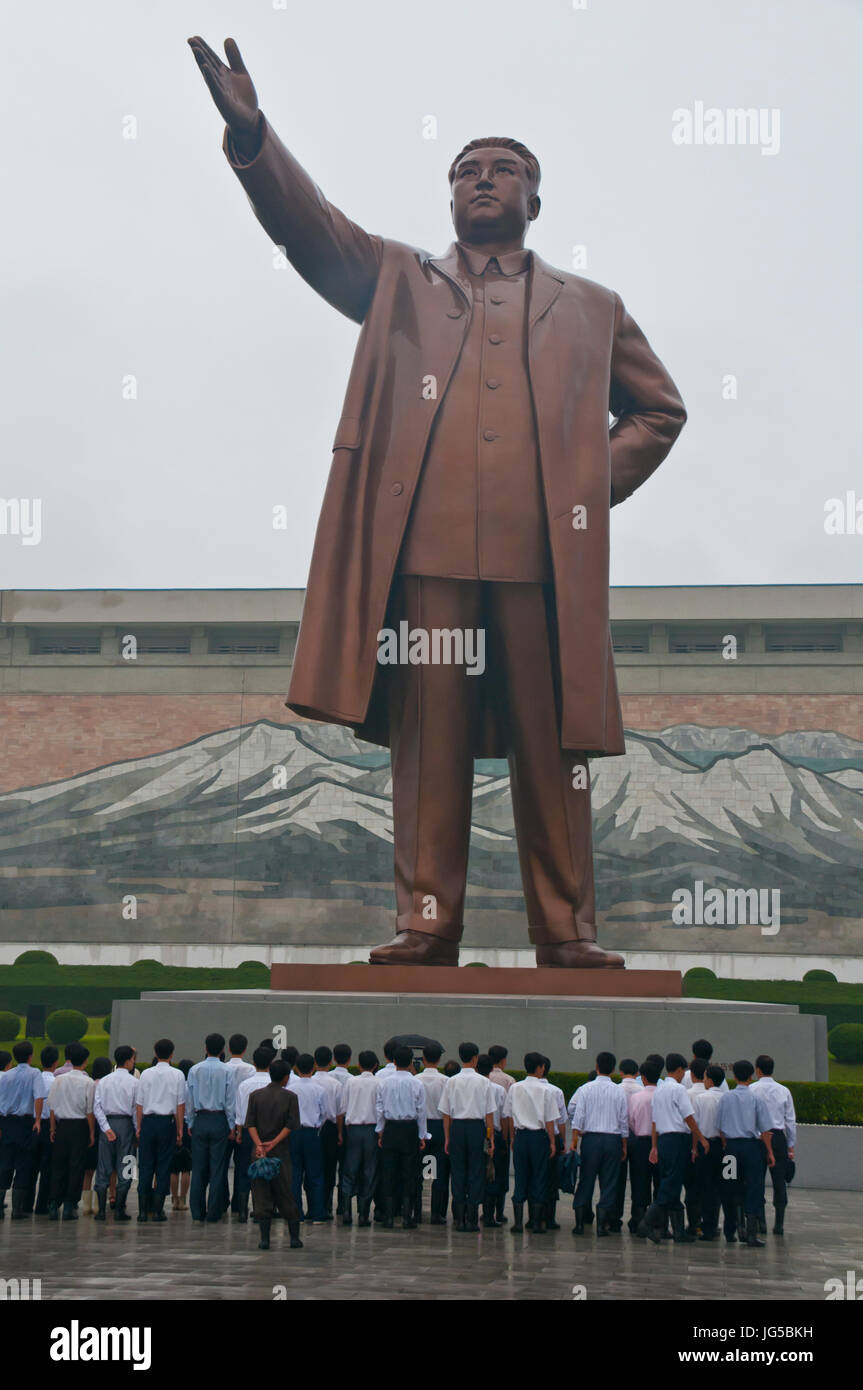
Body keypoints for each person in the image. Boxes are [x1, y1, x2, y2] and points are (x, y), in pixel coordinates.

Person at [187, 37, 685, 978]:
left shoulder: (591, 306)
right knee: (429, 747)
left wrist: (582, 491)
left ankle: (565, 931)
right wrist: (252, 133)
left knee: (554, 749)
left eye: (504, 170)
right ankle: (428, 924)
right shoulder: (398, 282)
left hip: (542, 565)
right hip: (425, 561)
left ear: (535, 199)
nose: (483, 181)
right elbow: (310, 229)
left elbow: (659, 410)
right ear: (448, 196)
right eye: (465, 171)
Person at [638, 1052, 709, 1245]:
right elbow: (688, 1116)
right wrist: (701, 1138)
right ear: (679, 1070)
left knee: (672, 1183)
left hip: (663, 1141)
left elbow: (654, 1122)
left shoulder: (659, 1089)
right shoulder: (678, 1090)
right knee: (670, 1185)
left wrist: (654, 1146)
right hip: (677, 1140)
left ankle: (678, 1232)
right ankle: (646, 1222)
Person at [245, 1058, 304, 1251]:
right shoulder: (290, 1097)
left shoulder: (255, 1095)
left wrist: (259, 1144)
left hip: (259, 1153)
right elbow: (291, 1125)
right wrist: (274, 1142)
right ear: (286, 1077)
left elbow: (250, 1123)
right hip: (280, 1153)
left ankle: (264, 1239)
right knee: (285, 1192)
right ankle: (294, 1238)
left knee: (261, 1193)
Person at [569, 1052, 628, 1237]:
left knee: (586, 1180)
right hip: (613, 1140)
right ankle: (602, 1226)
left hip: (591, 1140)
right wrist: (624, 1145)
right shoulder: (619, 1090)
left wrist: (574, 1140)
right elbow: (623, 1121)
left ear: (597, 1066)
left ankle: (579, 1224)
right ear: (613, 1069)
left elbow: (578, 1116)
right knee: (609, 1182)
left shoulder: (585, 1089)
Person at [717, 1060, 775, 1249]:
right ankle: (750, 1234)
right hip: (751, 1148)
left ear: (734, 1076)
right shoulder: (757, 1099)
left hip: (730, 1149)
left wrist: (726, 1146)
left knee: (729, 1187)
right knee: (753, 1187)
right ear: (751, 1077)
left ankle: (731, 1229)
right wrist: (770, 1152)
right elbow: (765, 1130)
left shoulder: (725, 1098)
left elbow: (720, 1128)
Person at [438, 1042, 495, 1233]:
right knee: (476, 1172)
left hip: (457, 1127)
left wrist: (447, 1138)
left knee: (458, 1172)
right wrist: (490, 1140)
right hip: (476, 1128)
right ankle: (471, 1219)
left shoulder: (451, 1081)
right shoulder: (484, 1082)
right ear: (475, 1058)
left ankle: (459, 1219)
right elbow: (489, 1116)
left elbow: (446, 1114)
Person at [502, 1053, 558, 1234]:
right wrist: (552, 1141)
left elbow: (509, 1115)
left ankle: (518, 1223)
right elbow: (550, 1120)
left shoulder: (515, 1088)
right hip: (539, 1137)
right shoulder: (546, 1091)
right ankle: (535, 1222)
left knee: (521, 1177)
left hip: (521, 1137)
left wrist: (512, 1137)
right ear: (541, 1067)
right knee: (539, 1177)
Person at [186, 1033, 235, 1224]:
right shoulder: (227, 1071)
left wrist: (190, 1122)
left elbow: (189, 1099)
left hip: (200, 1118)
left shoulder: (194, 1070)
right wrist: (232, 1125)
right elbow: (230, 1101)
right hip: (219, 1119)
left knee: (198, 1168)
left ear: (205, 1048)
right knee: (217, 1168)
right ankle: (214, 1212)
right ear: (223, 1050)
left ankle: (197, 1211)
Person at [375, 1045, 426, 1229]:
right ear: (411, 1062)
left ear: (394, 1061)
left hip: (390, 1129)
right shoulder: (417, 1083)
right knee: (408, 1173)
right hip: (409, 1129)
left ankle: (388, 1217)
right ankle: (406, 1216)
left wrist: (380, 1132)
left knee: (388, 1173)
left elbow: (379, 1109)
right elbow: (421, 1112)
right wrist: (422, 1135)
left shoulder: (384, 1082)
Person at [135, 1038, 186, 1223]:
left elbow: (139, 1104)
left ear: (155, 1053)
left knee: (146, 1166)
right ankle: (157, 1211)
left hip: (148, 1122)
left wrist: (139, 1126)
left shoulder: (146, 1074)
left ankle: (142, 1211)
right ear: (172, 1054)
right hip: (167, 1123)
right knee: (164, 1166)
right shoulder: (178, 1074)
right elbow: (180, 1104)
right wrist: (180, 1128)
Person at [48, 1042, 95, 1221]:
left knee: (58, 1165)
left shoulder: (58, 1079)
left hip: (62, 1126)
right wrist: (91, 1132)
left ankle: (53, 1203)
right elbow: (89, 1111)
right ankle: (69, 1205)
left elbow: (52, 1107)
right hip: (79, 1126)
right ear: (85, 1061)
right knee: (76, 1166)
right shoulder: (88, 1082)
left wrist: (52, 1128)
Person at [751, 1054, 796, 1235]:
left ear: (758, 1070)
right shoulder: (784, 1091)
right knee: (779, 1182)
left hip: (757, 1138)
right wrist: (790, 1145)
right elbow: (790, 1120)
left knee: (757, 1180)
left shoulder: (752, 1089)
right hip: (777, 1138)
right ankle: (779, 1223)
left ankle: (760, 1221)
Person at [93, 1045, 138, 1222]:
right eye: (133, 1059)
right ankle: (119, 1208)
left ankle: (101, 1210)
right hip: (126, 1124)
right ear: (128, 1061)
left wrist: (105, 1128)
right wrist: (136, 1130)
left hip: (108, 1124)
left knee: (103, 1166)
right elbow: (135, 1109)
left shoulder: (104, 1081)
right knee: (126, 1165)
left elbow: (96, 1106)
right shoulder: (135, 1082)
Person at [0, 1040, 43, 1220]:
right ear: (30, 1056)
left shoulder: (6, 1076)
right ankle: (17, 1209)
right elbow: (39, 1097)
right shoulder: (34, 1073)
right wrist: (38, 1119)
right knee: (23, 1164)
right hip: (25, 1122)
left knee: (5, 1164)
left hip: (6, 1122)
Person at [337, 1050, 380, 1227]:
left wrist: (340, 1132)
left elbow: (342, 1109)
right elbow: (381, 1110)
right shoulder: (380, 1083)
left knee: (349, 1169)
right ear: (375, 1066)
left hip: (353, 1129)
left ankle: (346, 1210)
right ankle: (363, 1214)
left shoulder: (350, 1082)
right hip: (372, 1130)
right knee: (370, 1171)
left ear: (359, 1065)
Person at [232, 1048, 274, 1223]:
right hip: (269, 1133)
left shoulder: (245, 1085)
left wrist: (239, 1132)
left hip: (249, 1132)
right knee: (265, 1171)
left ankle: (242, 1210)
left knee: (244, 1169)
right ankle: (261, 1209)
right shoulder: (274, 1084)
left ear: (254, 1063)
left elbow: (240, 1113)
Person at [688, 1064, 729, 1242]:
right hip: (726, 1149)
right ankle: (724, 1225)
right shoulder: (728, 1098)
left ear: (710, 1080)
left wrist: (694, 1148)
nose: (703, 1081)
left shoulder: (701, 1099)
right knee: (724, 1185)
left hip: (706, 1147)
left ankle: (706, 1226)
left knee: (705, 1186)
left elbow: (694, 1127)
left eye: (705, 1078)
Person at [287, 1054, 327, 1223]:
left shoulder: (290, 1088)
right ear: (314, 1067)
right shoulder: (319, 1089)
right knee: (315, 1174)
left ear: (296, 1067)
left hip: (293, 1133)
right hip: (312, 1132)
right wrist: (317, 1124)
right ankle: (318, 1213)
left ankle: (297, 1213)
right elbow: (324, 1114)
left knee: (294, 1174)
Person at [625, 1059, 661, 1234]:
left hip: (639, 1142)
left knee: (640, 1182)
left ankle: (638, 1221)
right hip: (660, 1143)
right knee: (660, 1182)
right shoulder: (663, 1095)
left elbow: (630, 1121)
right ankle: (659, 1223)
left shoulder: (635, 1097)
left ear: (643, 1078)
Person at [312, 1046, 343, 1219]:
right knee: (330, 1168)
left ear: (315, 1062)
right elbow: (339, 1113)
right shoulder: (336, 1084)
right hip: (330, 1129)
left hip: (312, 1129)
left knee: (312, 1168)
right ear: (330, 1062)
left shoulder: (309, 1081)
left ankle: (313, 1206)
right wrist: (339, 1133)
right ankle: (326, 1206)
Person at [27, 1044, 59, 1214]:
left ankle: (25, 1204)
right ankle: (42, 1205)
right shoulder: (56, 1082)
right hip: (49, 1126)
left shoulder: (35, 1079)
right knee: (47, 1168)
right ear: (56, 1062)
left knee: (31, 1166)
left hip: (33, 1124)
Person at [476, 1053, 507, 1227]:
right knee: (493, 1174)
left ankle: (466, 1214)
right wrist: (504, 1138)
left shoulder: (469, 1086)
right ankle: (489, 1215)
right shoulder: (498, 1090)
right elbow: (503, 1117)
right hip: (492, 1133)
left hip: (473, 1131)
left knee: (473, 1171)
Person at [80, 1056, 111, 1215]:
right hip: (106, 1127)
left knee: (88, 1170)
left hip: (89, 1128)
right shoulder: (108, 1085)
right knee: (104, 1168)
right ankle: (101, 1203)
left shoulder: (90, 1084)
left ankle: (86, 1205)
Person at [170, 1059, 194, 1212]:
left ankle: (174, 1199)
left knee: (173, 1167)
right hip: (187, 1125)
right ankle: (183, 1199)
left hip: (173, 1124)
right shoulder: (191, 1088)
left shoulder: (175, 1087)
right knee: (186, 1167)